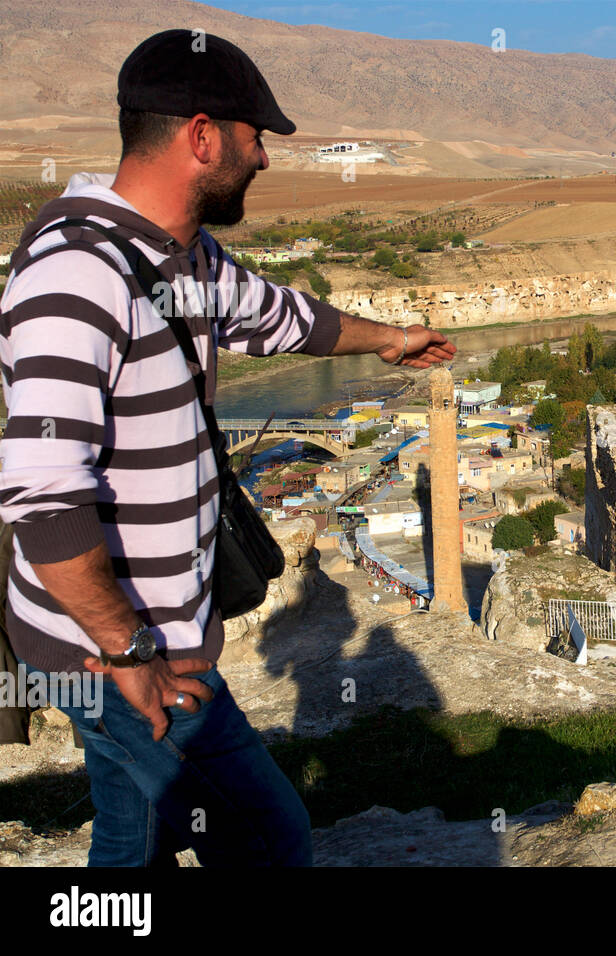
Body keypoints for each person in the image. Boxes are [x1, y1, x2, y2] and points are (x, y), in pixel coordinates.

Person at [0, 29, 456, 865]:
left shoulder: (183, 257)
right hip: (117, 651)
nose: (265, 161)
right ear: (202, 136)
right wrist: (127, 650)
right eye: (255, 140)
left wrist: (389, 338)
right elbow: (40, 492)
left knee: (131, 835)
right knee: (269, 839)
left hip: (127, 642)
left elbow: (284, 316)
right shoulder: (77, 276)